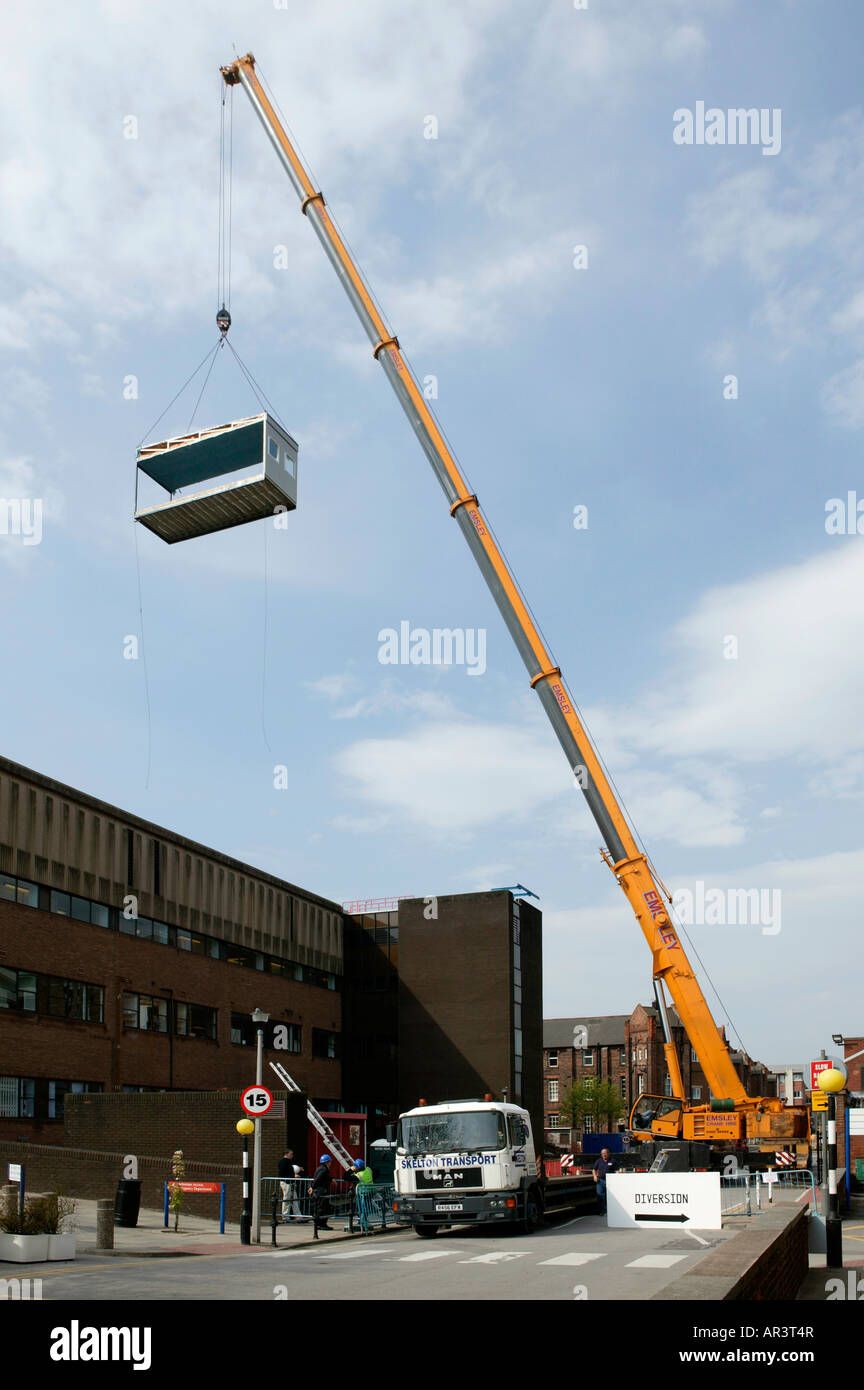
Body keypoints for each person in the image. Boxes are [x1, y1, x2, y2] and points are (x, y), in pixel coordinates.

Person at [278, 1149, 304, 1220]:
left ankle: (298, 1216)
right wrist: (293, 1176)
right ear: (286, 1154)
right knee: (287, 1199)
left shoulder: (288, 1162)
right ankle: (285, 1216)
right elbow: (282, 1173)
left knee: (294, 1200)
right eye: (291, 1154)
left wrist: (295, 1174)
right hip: (286, 1183)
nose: (292, 1156)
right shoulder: (283, 1162)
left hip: (290, 1183)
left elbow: (289, 1171)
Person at [309, 1154, 333, 1230]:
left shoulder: (321, 1168)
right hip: (321, 1191)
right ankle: (321, 1224)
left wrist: (331, 1179)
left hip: (319, 1191)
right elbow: (318, 1179)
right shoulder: (324, 1169)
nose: (330, 1163)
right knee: (323, 1208)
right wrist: (312, 1187)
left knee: (321, 1207)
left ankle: (320, 1224)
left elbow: (322, 1177)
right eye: (330, 1162)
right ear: (327, 1162)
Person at [592, 1147, 617, 1215]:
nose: (604, 1155)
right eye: (602, 1153)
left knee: (610, 1197)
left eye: (605, 1153)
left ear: (608, 1153)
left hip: (610, 1181)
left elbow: (617, 1170)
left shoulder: (613, 1161)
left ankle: (610, 1211)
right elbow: (594, 1169)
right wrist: (594, 1176)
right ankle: (602, 1211)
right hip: (600, 1181)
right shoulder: (598, 1161)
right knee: (600, 1196)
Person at [352, 1157, 374, 1232]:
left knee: (361, 1208)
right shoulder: (368, 1169)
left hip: (362, 1194)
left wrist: (351, 1170)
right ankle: (364, 1221)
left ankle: (362, 1222)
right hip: (370, 1192)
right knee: (367, 1207)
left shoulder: (358, 1175)